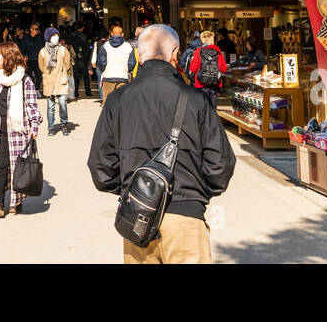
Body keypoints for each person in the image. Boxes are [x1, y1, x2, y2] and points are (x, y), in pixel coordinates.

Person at [88, 24, 235, 264]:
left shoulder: (118, 100)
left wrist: (131, 189)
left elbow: (100, 166)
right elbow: (221, 164)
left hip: (137, 218)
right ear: (175, 53)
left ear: (138, 55)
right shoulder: (196, 101)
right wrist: (197, 194)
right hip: (186, 216)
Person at [0, 42, 42, 217]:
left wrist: (34, 126)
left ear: (8, 57)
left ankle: (17, 201)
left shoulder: (24, 80)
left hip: (18, 132)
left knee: (17, 168)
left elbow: (31, 106)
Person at [38, 26, 74, 134]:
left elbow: (67, 64)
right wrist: (47, 73)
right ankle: (51, 127)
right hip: (49, 81)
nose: (56, 37)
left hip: (61, 80)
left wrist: (61, 71)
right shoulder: (43, 52)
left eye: (57, 35)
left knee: (63, 103)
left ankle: (64, 124)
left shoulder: (63, 50)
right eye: (54, 35)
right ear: (48, 37)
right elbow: (41, 66)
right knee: (50, 107)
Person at [95, 20, 136, 102]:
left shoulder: (105, 46)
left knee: (107, 103)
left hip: (108, 77)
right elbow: (132, 63)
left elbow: (101, 63)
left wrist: (104, 70)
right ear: (123, 34)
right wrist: (126, 70)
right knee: (121, 103)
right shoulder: (128, 47)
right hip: (123, 77)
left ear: (111, 34)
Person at [188, 30, 228, 107]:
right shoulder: (218, 51)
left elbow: (193, 68)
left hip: (200, 83)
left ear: (202, 40)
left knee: (202, 108)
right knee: (213, 108)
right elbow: (223, 69)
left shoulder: (198, 51)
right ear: (212, 40)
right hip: (214, 84)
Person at [21, 21, 44, 94]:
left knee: (39, 76)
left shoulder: (40, 38)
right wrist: (24, 55)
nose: (37, 31)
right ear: (31, 29)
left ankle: (37, 89)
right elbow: (22, 48)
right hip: (29, 60)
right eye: (35, 29)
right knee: (29, 76)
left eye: (38, 29)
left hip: (38, 60)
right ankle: (34, 89)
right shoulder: (26, 38)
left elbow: (42, 48)